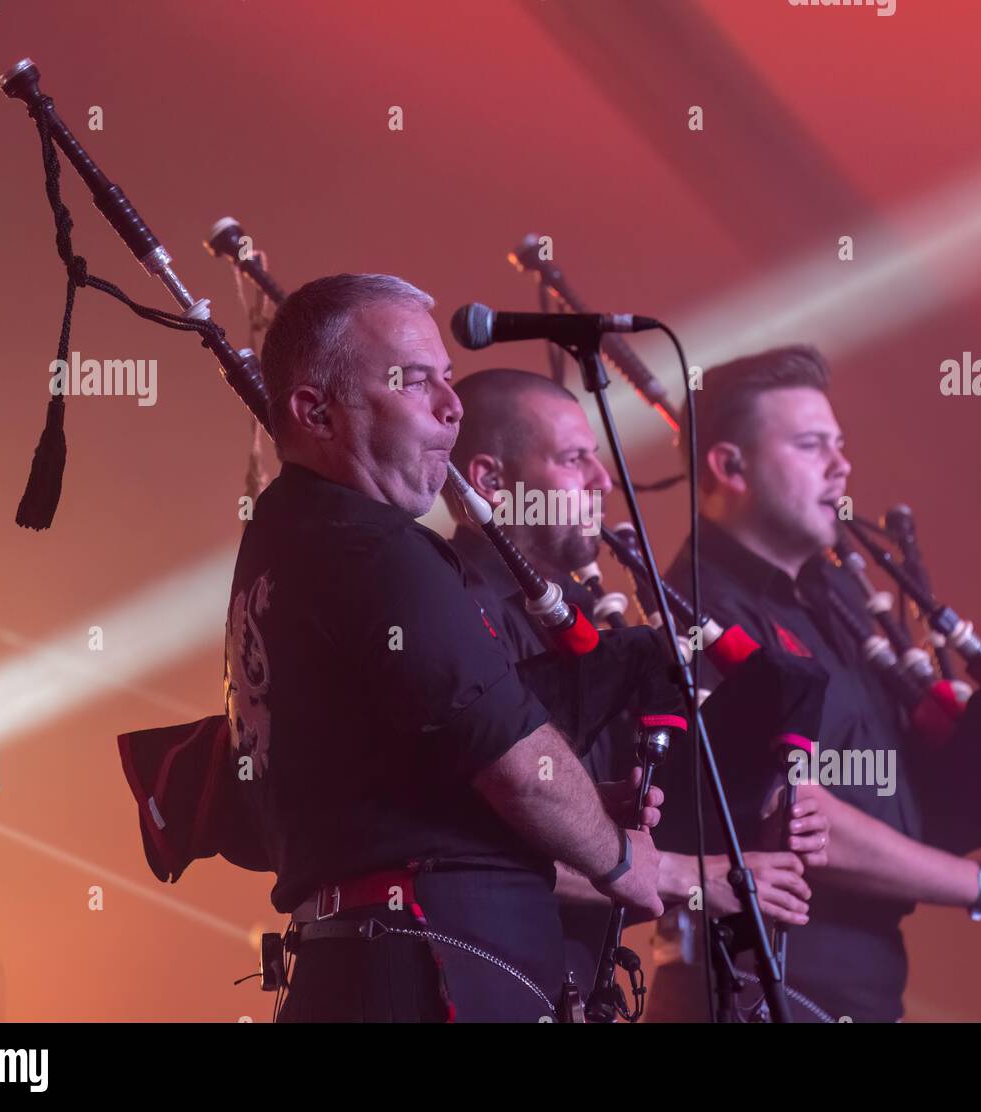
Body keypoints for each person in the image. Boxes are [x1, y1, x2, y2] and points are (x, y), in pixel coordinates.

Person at [223, 275, 663, 1022]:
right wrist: (627, 860)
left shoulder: (282, 540)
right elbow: (524, 772)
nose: (451, 406)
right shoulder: (374, 549)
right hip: (426, 977)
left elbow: (406, 786)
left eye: (448, 380)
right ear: (314, 411)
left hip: (363, 965)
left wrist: (587, 803)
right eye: (414, 380)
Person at [656, 345, 981, 1022]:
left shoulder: (833, 597)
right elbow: (792, 810)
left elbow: (895, 794)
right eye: (811, 445)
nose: (842, 466)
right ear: (728, 465)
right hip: (748, 992)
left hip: (861, 993)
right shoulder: (695, 609)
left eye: (840, 445)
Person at [443, 367, 830, 996]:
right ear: (490, 481)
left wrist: (769, 801)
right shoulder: (459, 607)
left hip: (568, 987)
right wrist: (690, 875)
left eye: (597, 458)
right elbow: (474, 837)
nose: (602, 481)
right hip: (481, 988)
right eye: (574, 460)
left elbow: (629, 813)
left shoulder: (583, 624)